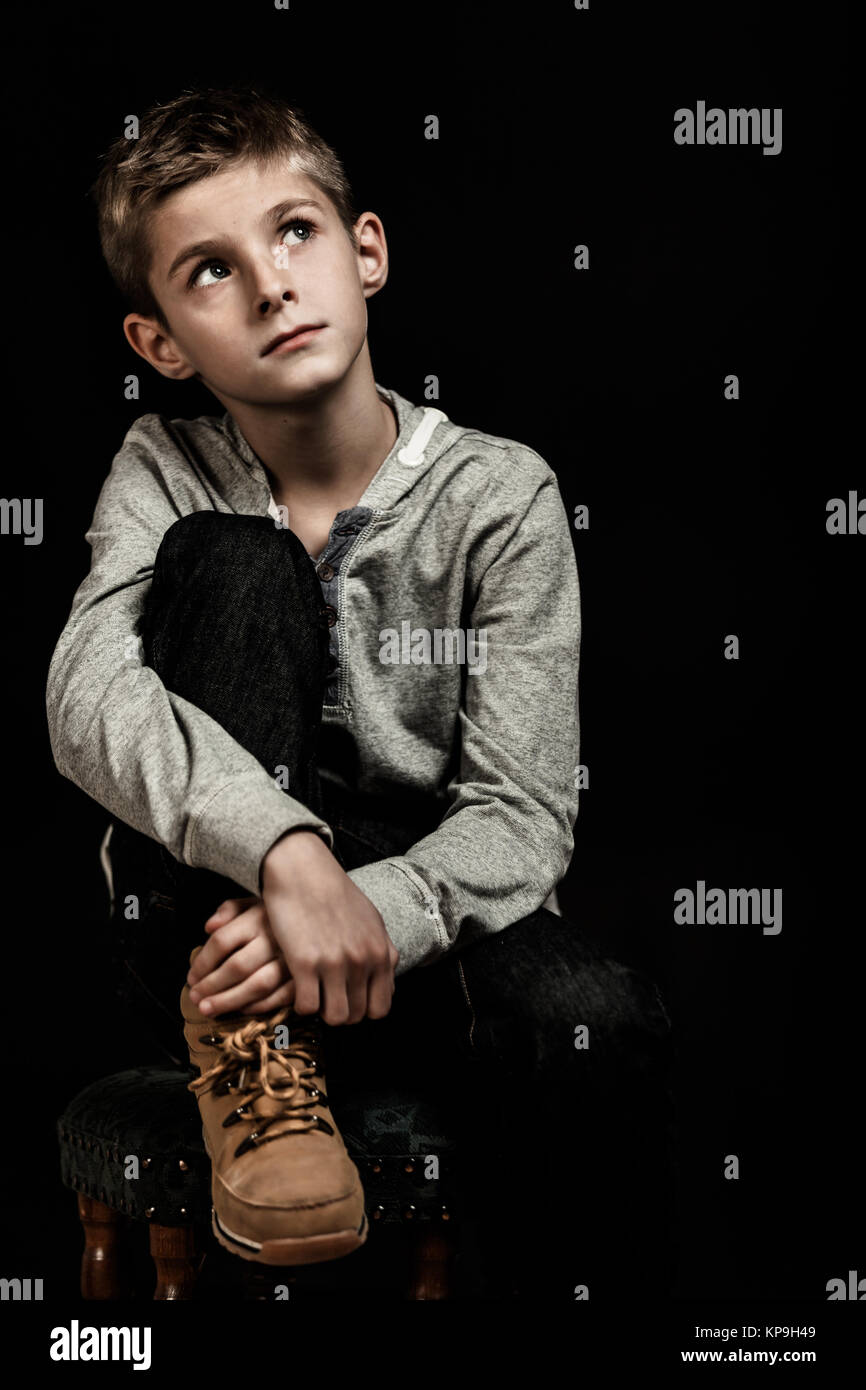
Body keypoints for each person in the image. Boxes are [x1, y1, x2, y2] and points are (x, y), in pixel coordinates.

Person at [46, 84, 677, 1298]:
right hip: (204, 934)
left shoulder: (501, 496)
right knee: (235, 561)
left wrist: (365, 901)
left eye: (294, 232)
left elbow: (523, 815)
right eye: (210, 271)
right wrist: (285, 860)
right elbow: (85, 695)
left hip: (413, 921)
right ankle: (256, 1048)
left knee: (600, 1014)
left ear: (364, 250)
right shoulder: (163, 467)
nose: (272, 283)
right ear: (160, 342)